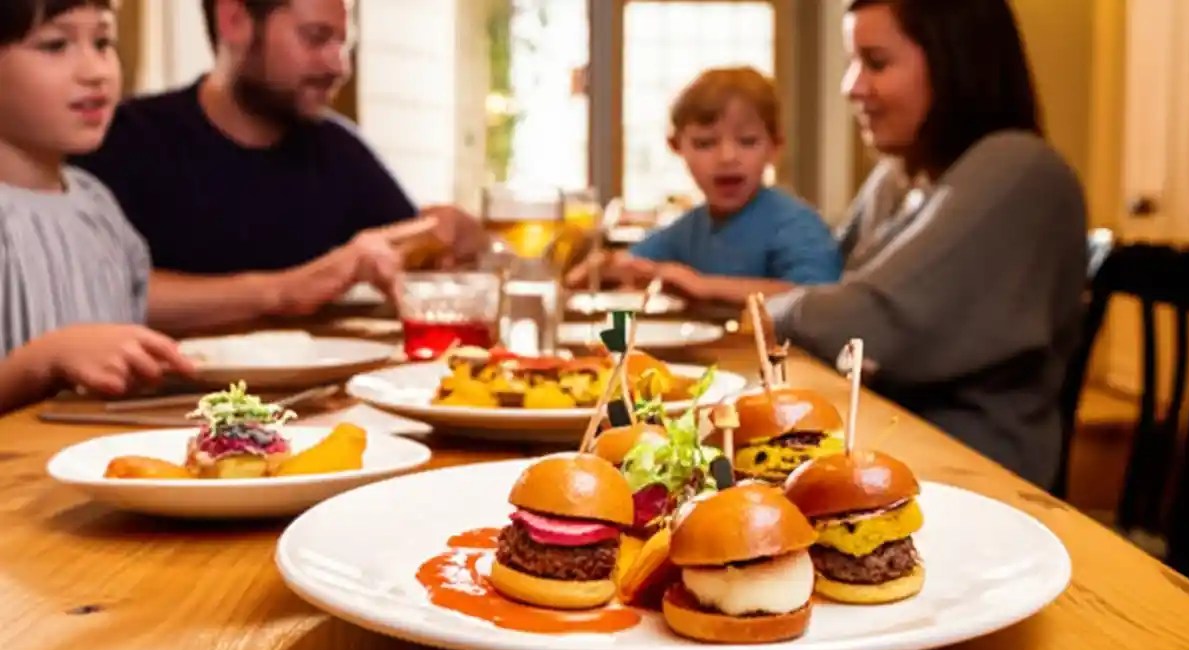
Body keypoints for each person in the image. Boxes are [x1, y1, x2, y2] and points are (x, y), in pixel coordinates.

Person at [765, 0, 1088, 488]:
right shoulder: (898, 174)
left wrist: (760, 308)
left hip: (976, 471)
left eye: (875, 62)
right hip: (888, 436)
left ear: (955, 61)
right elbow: (824, 280)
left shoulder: (1019, 168)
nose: (851, 86)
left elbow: (862, 322)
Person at [70, 0, 483, 331]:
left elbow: (411, 266)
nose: (339, 65)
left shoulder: (340, 150)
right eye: (316, 37)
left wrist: (445, 242)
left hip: (312, 413)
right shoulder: (123, 140)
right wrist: (284, 291)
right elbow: (99, 292)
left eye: (344, 43)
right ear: (235, 21)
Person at [0, 0, 197, 413]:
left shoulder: (98, 206)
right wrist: (43, 361)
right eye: (55, 45)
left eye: (103, 42)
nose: (96, 71)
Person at [566, 67, 840, 304]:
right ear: (676, 147)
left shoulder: (795, 223)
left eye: (747, 141)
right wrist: (603, 267)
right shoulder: (688, 229)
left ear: (775, 147)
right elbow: (633, 264)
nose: (727, 158)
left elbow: (816, 299)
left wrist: (701, 286)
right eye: (705, 143)